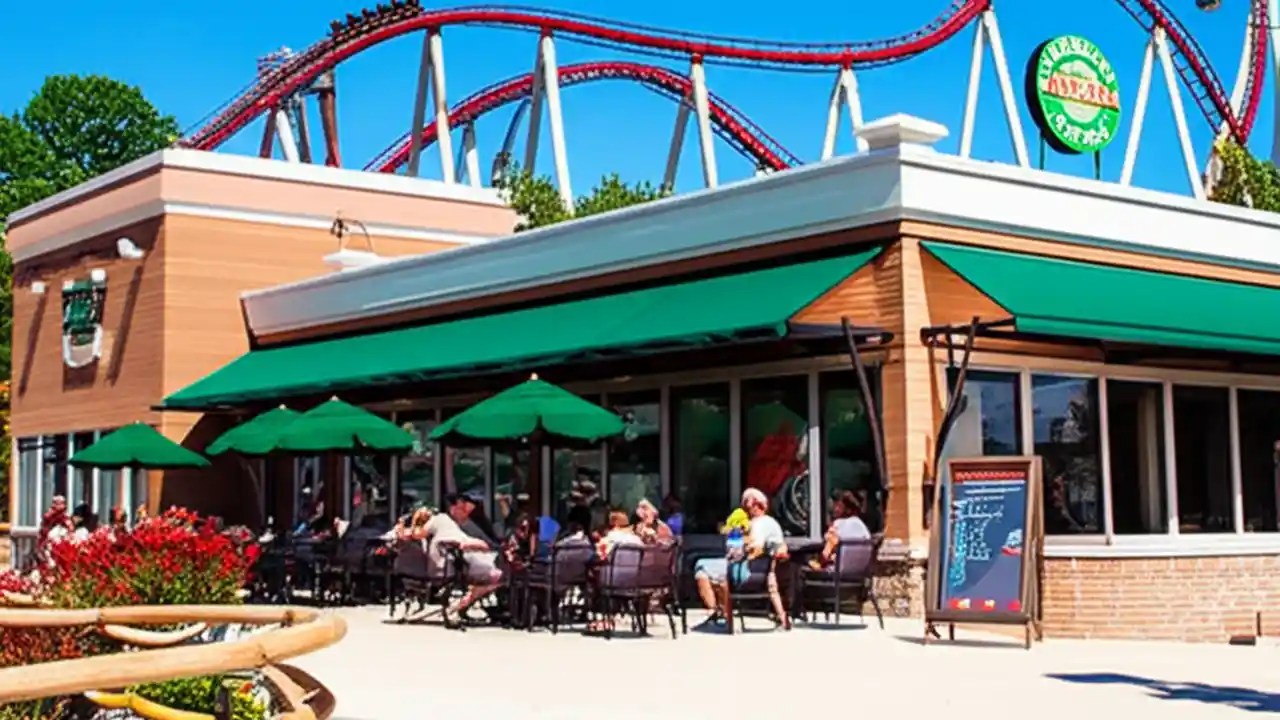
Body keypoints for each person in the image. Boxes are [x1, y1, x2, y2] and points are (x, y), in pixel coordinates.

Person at [692, 488, 788, 627]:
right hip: (758, 570)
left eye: (746, 502)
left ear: (756, 504)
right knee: (709, 570)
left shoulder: (761, 523)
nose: (744, 506)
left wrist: (740, 542)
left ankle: (716, 612)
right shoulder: (770, 523)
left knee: (701, 567)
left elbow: (756, 547)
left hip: (745, 570)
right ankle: (720, 612)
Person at [426, 492, 503, 624]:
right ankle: (463, 605)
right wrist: (484, 546)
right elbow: (460, 543)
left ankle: (464, 604)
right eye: (463, 509)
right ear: (453, 508)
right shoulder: (446, 523)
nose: (466, 513)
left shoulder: (462, 524)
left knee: (501, 574)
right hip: (462, 566)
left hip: (467, 563)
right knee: (502, 576)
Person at [813, 490, 872, 568]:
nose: (835, 509)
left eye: (839, 506)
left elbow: (825, 556)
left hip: (839, 573)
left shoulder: (837, 525)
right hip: (859, 572)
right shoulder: (862, 526)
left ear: (848, 510)